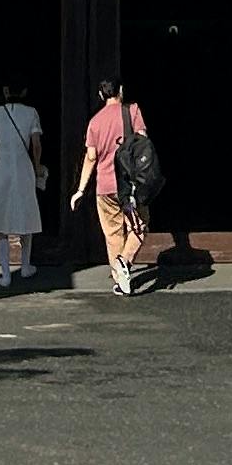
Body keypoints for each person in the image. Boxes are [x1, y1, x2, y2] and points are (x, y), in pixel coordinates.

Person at [78, 73, 158, 297]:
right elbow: (143, 141)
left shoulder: (94, 122)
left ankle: (120, 278)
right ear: (121, 90)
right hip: (129, 184)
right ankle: (125, 261)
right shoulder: (132, 112)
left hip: (104, 186)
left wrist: (80, 189)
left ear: (101, 95)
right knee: (140, 225)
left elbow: (91, 157)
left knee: (113, 234)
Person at [0, 75, 46, 288]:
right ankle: (25, 266)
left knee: (1, 221)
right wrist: (36, 168)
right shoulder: (31, 113)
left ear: (6, 91)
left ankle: (6, 273)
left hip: (2, 166)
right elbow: (36, 145)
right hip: (24, 166)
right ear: (24, 92)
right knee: (26, 215)